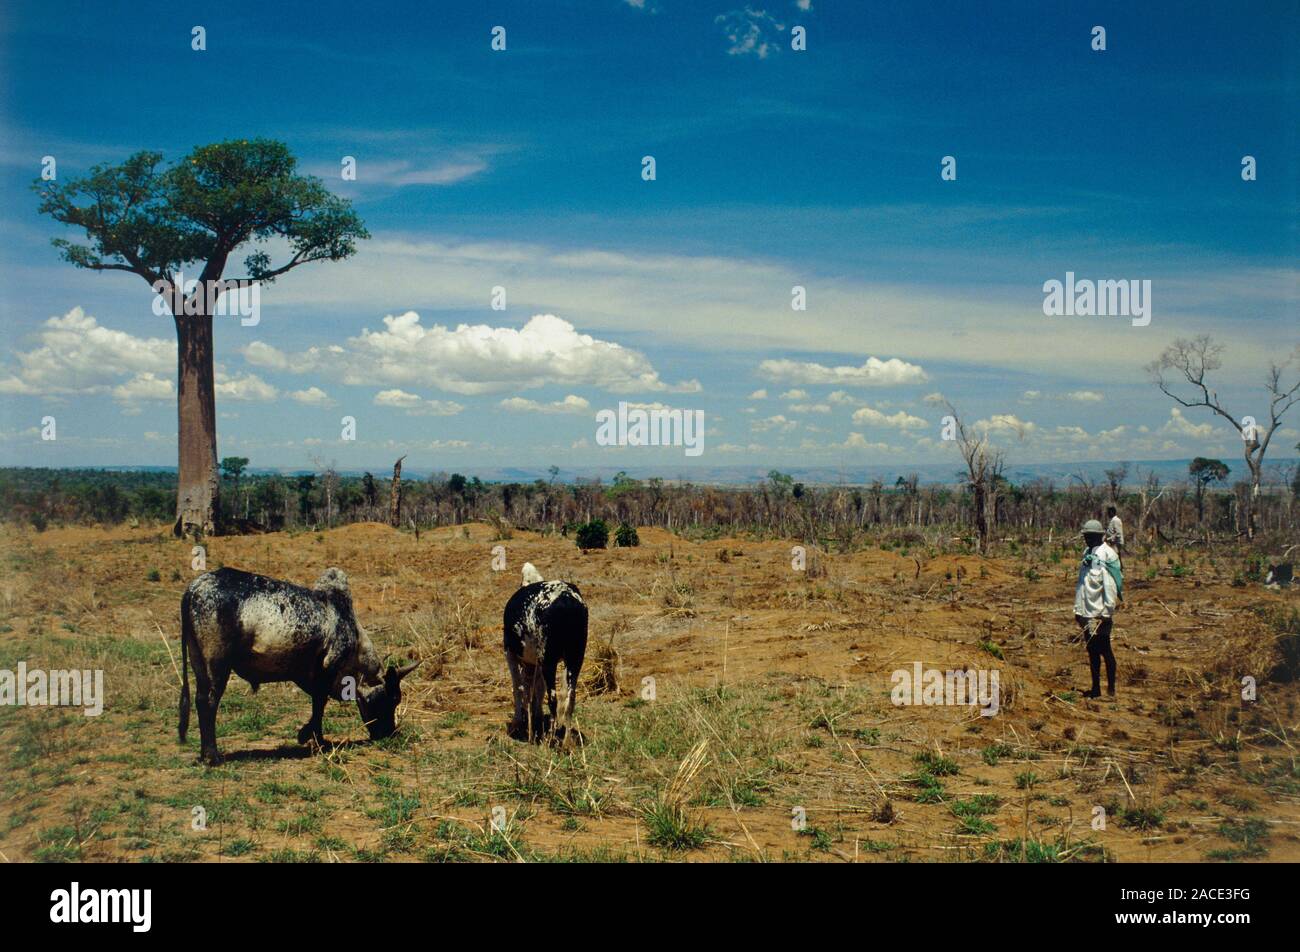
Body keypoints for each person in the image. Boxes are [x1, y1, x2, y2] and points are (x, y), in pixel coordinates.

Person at [1074, 519, 1121, 698]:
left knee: (1105, 649)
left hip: (1100, 613)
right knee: (1092, 650)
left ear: (1097, 536)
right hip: (1087, 612)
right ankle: (1096, 689)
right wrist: (1078, 611)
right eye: (1085, 536)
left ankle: (1111, 690)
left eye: (1089, 536)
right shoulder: (1088, 553)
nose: (1086, 539)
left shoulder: (1106, 555)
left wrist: (1106, 613)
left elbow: (1109, 585)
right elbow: (1083, 584)